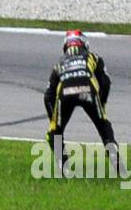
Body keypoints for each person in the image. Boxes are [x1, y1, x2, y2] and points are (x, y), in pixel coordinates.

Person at [44, 30, 118, 173]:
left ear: (65, 46)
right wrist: (101, 104)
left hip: (65, 94)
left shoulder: (58, 65)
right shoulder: (93, 57)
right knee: (103, 126)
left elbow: (48, 96)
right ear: (85, 44)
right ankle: (119, 165)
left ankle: (64, 169)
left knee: (54, 133)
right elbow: (106, 82)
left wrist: (53, 119)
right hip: (88, 91)